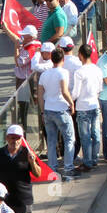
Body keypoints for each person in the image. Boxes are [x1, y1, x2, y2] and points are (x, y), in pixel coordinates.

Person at [39, 46, 76, 180]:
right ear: (62, 59)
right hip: (61, 109)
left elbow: (40, 95)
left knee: (51, 140)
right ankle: (68, 167)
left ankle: (52, 169)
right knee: (69, 139)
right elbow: (65, 91)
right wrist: (71, 103)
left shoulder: (44, 74)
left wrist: (43, 112)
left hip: (48, 110)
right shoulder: (63, 73)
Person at [71, 42, 104, 172]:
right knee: (95, 133)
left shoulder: (79, 72)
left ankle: (87, 162)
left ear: (80, 55)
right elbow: (100, 88)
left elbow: (76, 93)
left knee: (85, 136)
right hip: (95, 104)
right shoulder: (97, 69)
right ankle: (94, 159)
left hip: (83, 107)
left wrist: (68, 98)